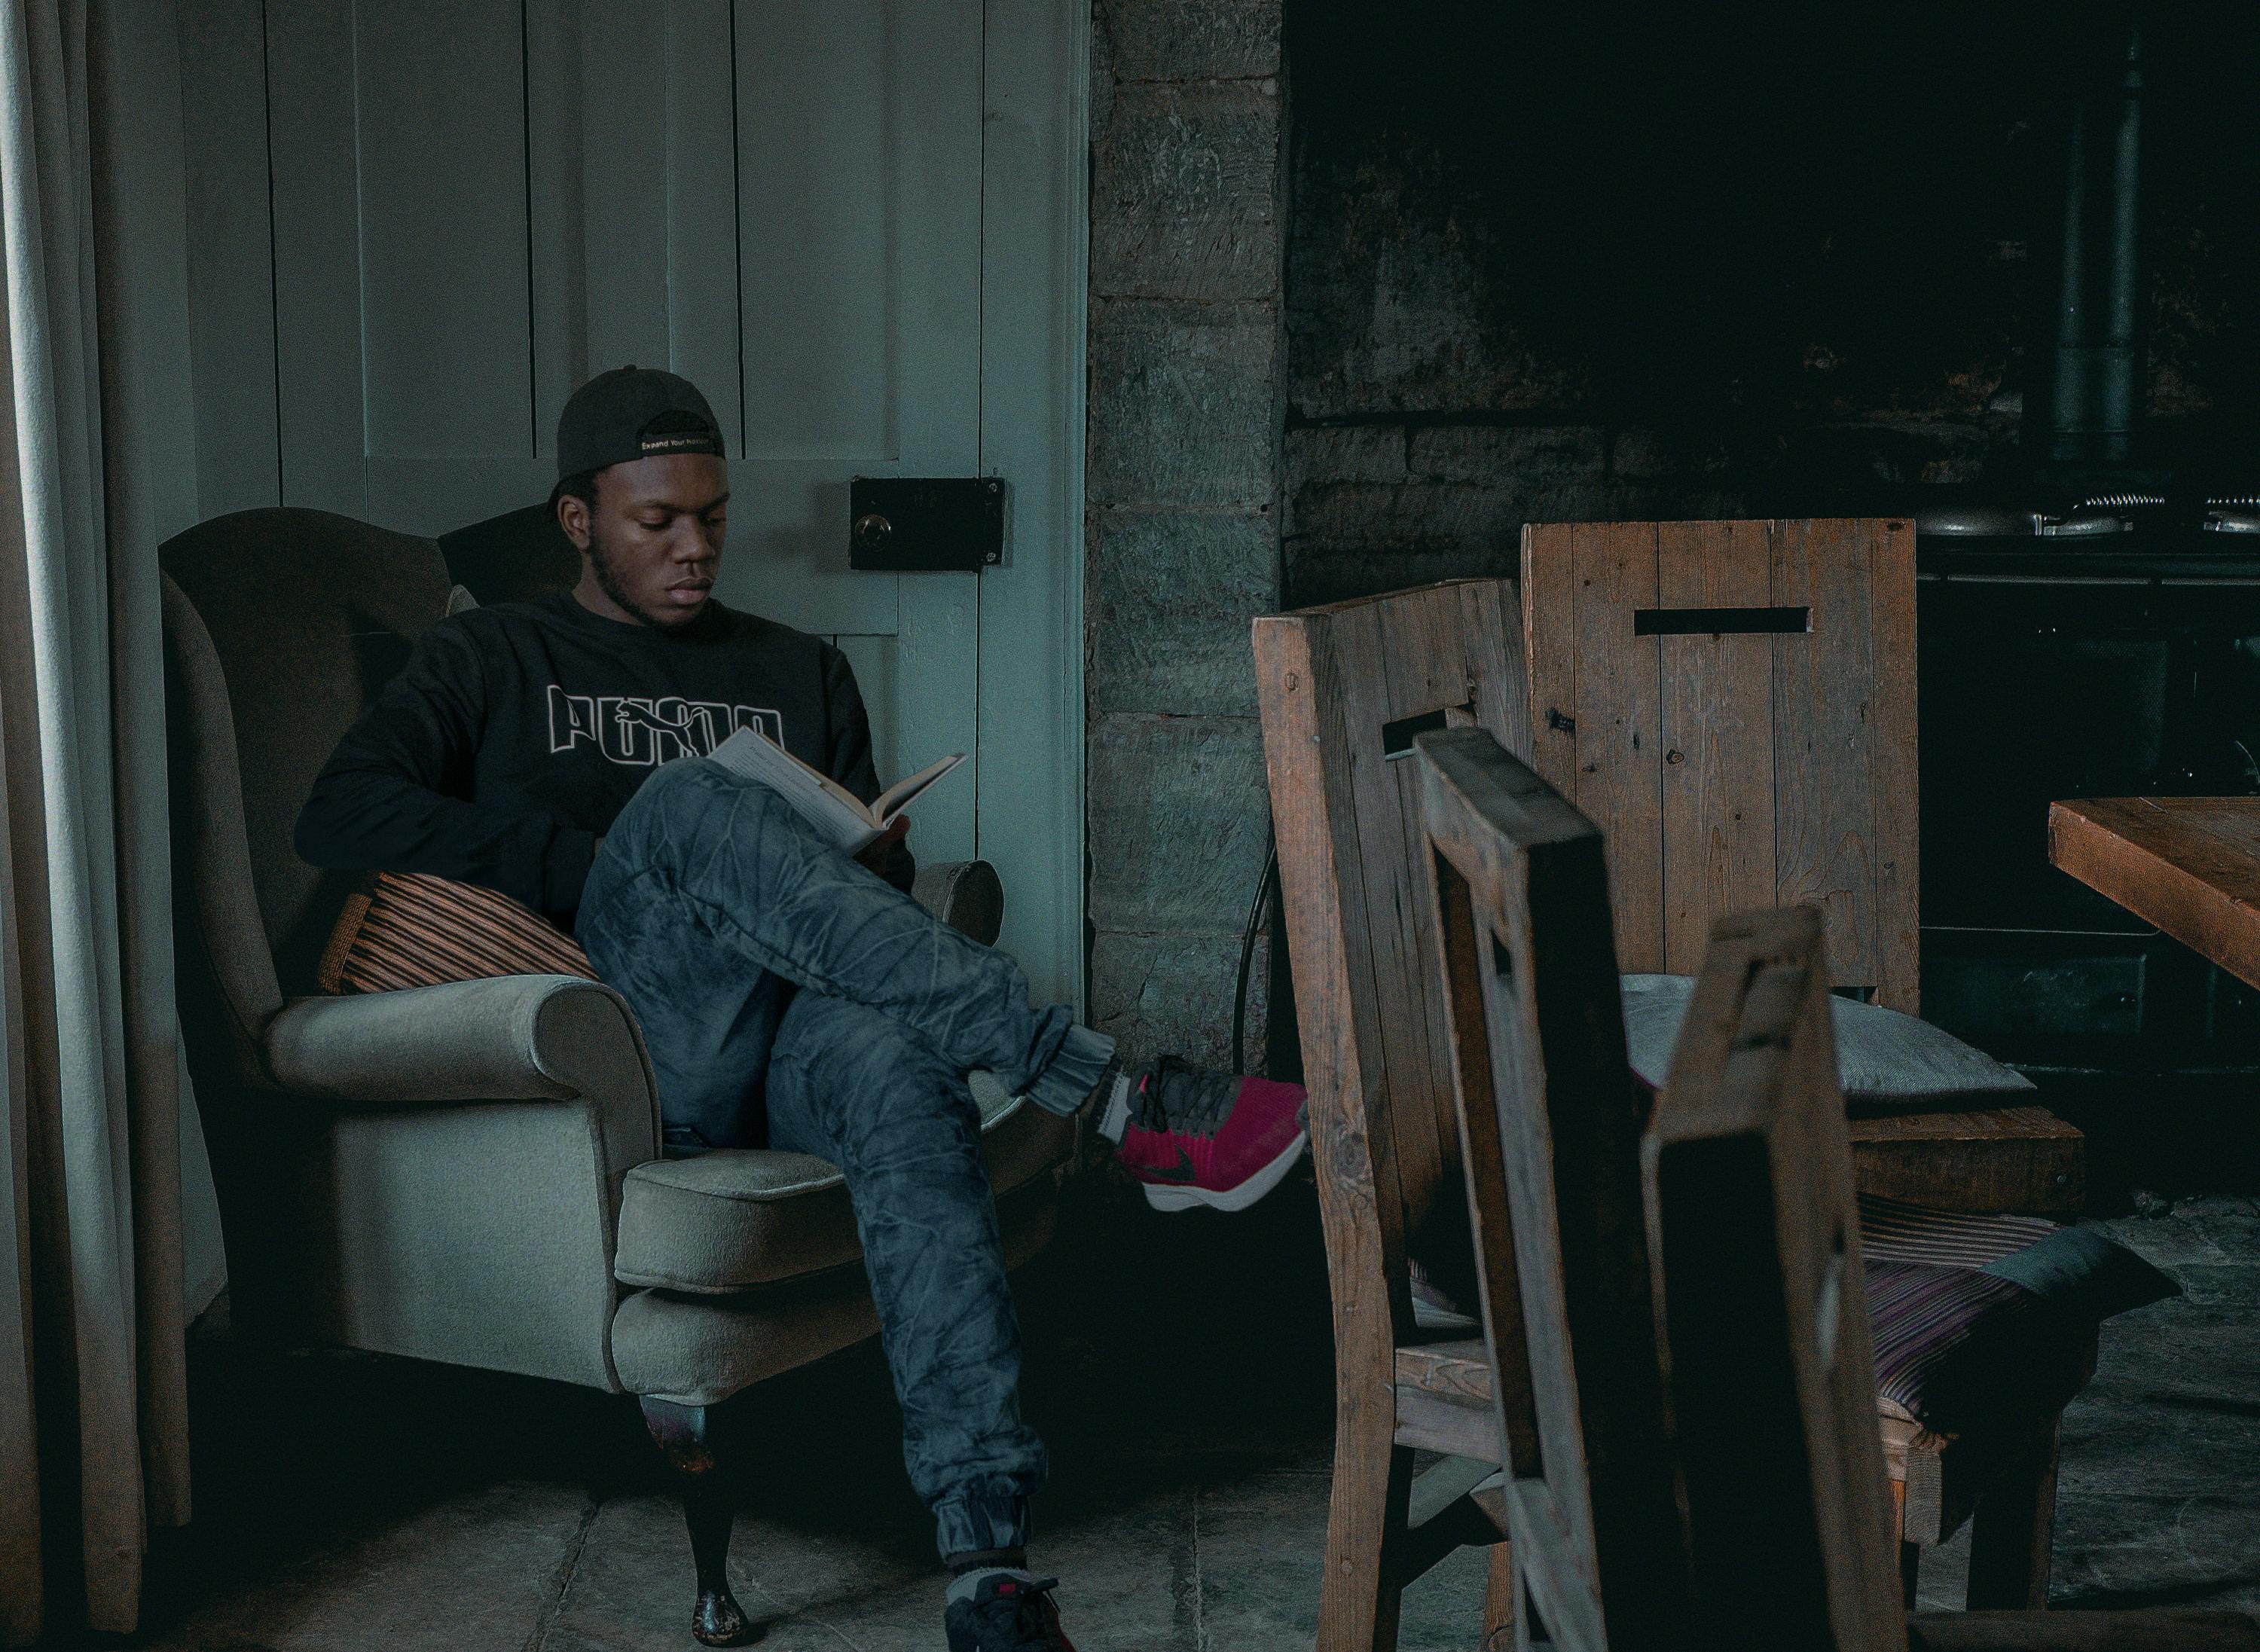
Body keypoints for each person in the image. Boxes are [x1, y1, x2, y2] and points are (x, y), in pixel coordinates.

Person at [292, 367, 1309, 1651]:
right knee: (684, 805)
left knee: (900, 1067)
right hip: (639, 1039)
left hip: (804, 1042)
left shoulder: (797, 666)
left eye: (712, 514)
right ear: (575, 520)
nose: (696, 544)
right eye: (657, 519)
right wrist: (594, 858)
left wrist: (869, 859)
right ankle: (1113, 1091)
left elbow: (858, 893)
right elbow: (339, 811)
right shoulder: (492, 654)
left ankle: (986, 1563)